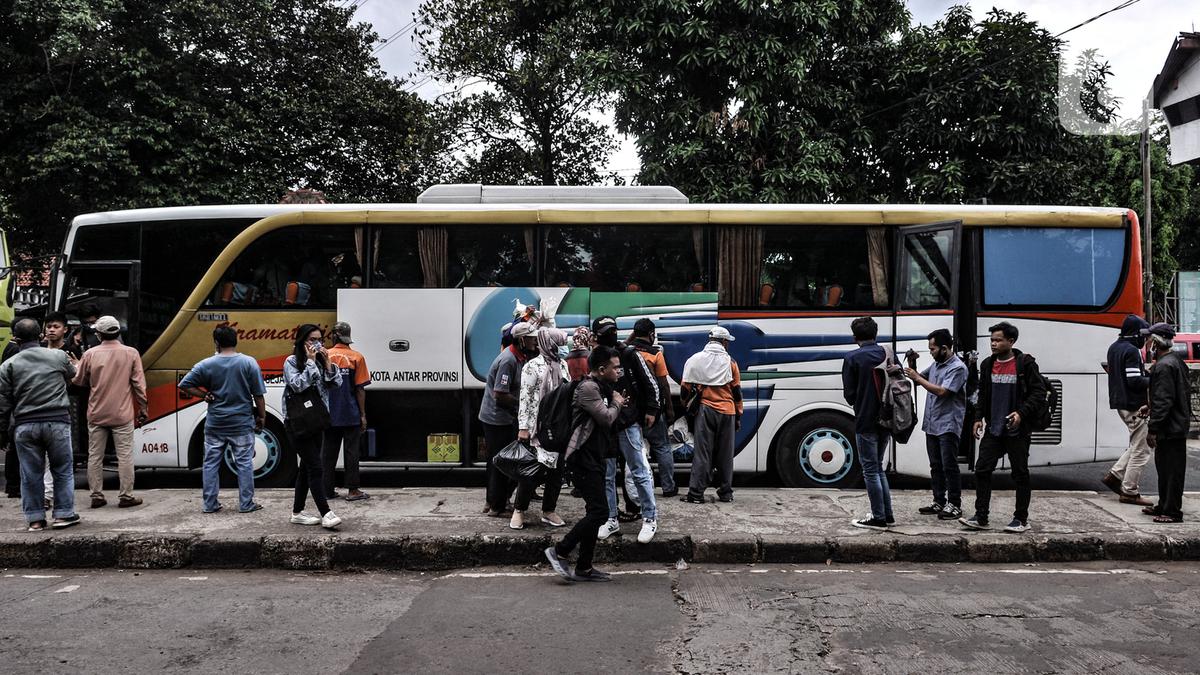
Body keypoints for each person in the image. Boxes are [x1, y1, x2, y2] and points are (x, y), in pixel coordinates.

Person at [543, 346, 627, 583]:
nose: (619, 371)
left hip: (595, 457)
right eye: (615, 367)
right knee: (600, 511)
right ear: (601, 369)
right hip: (581, 458)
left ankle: (584, 567)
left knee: (594, 511)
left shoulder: (601, 387)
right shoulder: (588, 388)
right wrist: (617, 403)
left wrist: (616, 401)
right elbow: (607, 418)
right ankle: (560, 550)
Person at [961, 321, 1047, 533]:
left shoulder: (1025, 363)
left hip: (1017, 430)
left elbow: (1038, 393)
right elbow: (982, 393)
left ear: (1011, 341)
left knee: (1020, 473)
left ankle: (1021, 519)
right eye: (992, 340)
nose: (993, 344)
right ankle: (981, 516)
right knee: (982, 469)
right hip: (994, 428)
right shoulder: (988, 364)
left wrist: (1021, 413)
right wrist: (978, 418)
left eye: (998, 340)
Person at [0, 318, 81, 531]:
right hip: (57, 422)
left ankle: (35, 519)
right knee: (62, 470)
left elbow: (3, 403)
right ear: (41, 336)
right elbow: (73, 375)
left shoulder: (8, 365)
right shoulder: (57, 356)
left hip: (25, 425)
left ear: (15, 339)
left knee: (29, 474)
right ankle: (64, 514)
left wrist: (2, 433)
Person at [178, 326, 266, 514]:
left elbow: (184, 384)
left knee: (211, 463)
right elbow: (258, 395)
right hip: (241, 423)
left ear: (216, 343)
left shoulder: (206, 364)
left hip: (215, 423)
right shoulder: (248, 363)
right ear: (236, 341)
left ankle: (210, 504)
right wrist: (262, 416)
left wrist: (203, 395)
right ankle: (246, 503)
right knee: (244, 463)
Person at [594, 316, 661, 544]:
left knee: (639, 471)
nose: (610, 335)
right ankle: (611, 519)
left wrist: (651, 410)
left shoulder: (630, 355)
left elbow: (651, 383)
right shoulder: (596, 358)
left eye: (612, 331)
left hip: (628, 422)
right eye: (605, 332)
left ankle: (650, 518)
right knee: (607, 475)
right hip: (606, 425)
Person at [72, 315, 147, 509]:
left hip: (96, 412)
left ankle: (96, 494)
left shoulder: (90, 354)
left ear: (99, 334)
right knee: (125, 456)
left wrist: (78, 365)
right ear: (118, 332)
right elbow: (139, 384)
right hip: (122, 413)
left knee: (95, 456)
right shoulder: (131, 353)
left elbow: (79, 381)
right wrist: (143, 407)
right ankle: (126, 495)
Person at [283, 324, 343, 529]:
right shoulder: (291, 362)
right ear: (302, 341)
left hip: (317, 420)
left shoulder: (319, 361)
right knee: (316, 467)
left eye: (320, 340)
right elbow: (297, 385)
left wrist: (327, 363)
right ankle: (326, 513)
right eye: (312, 340)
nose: (316, 344)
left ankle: (297, 512)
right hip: (297, 422)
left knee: (305, 468)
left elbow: (336, 384)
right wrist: (309, 362)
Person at [905, 329, 969, 521]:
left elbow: (942, 391)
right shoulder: (936, 365)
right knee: (935, 465)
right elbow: (919, 379)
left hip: (948, 423)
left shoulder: (958, 368)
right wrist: (912, 365)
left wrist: (917, 378)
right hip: (932, 423)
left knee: (949, 466)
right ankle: (939, 501)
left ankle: (955, 504)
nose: (931, 352)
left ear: (944, 348)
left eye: (932, 349)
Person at [512, 327, 569, 529]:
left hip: (558, 427)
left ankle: (549, 510)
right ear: (549, 344)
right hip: (537, 427)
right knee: (531, 472)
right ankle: (519, 510)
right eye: (559, 345)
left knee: (557, 472)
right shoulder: (532, 367)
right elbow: (525, 398)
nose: (563, 349)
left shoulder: (562, 365)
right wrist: (523, 427)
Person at [479, 320, 537, 516]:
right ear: (521, 340)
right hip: (496, 418)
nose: (534, 342)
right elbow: (500, 394)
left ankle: (494, 501)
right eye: (531, 339)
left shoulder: (519, 356)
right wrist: (523, 405)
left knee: (501, 461)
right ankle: (497, 506)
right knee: (501, 462)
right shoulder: (508, 360)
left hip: (504, 417)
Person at [680, 326, 742, 505]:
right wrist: (738, 415)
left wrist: (686, 405)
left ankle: (696, 494)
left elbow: (685, 389)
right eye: (727, 342)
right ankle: (725, 493)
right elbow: (737, 392)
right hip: (728, 411)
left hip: (706, 410)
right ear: (723, 342)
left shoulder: (695, 360)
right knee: (725, 454)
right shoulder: (731, 363)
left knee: (703, 453)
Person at [841, 316, 894, 530]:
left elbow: (850, 395)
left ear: (855, 337)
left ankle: (878, 517)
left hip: (865, 419)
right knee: (879, 468)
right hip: (888, 418)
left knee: (870, 470)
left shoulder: (853, 358)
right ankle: (887, 514)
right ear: (876, 333)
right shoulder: (887, 352)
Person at [1101, 315, 1153, 505]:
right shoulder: (1132, 351)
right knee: (1142, 450)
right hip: (1134, 404)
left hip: (1120, 402)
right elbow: (1134, 381)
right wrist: (1155, 378)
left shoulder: (1114, 347)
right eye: (1144, 335)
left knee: (1136, 444)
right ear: (1135, 334)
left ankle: (1115, 476)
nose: (1146, 340)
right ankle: (1129, 491)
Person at [1142, 323, 1190, 523]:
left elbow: (1165, 400)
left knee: (1171, 472)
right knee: (1166, 470)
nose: (1148, 344)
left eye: (1150, 340)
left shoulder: (1163, 366)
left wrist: (1153, 428)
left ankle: (1171, 511)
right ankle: (1164, 505)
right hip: (1175, 425)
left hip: (1170, 428)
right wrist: (1151, 408)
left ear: (1157, 342)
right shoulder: (1175, 361)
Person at [628, 319, 679, 497]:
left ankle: (635, 489)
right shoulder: (655, 354)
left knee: (633, 448)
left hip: (630, 410)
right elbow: (664, 385)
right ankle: (668, 487)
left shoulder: (626, 352)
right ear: (651, 334)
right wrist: (670, 410)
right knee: (662, 447)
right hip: (653, 409)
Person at [322, 321, 371, 502]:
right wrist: (363, 415)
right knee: (352, 452)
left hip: (329, 413)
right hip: (350, 412)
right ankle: (352, 491)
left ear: (334, 336)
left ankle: (326, 490)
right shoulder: (357, 357)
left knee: (328, 452)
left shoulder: (324, 355)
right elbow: (359, 389)